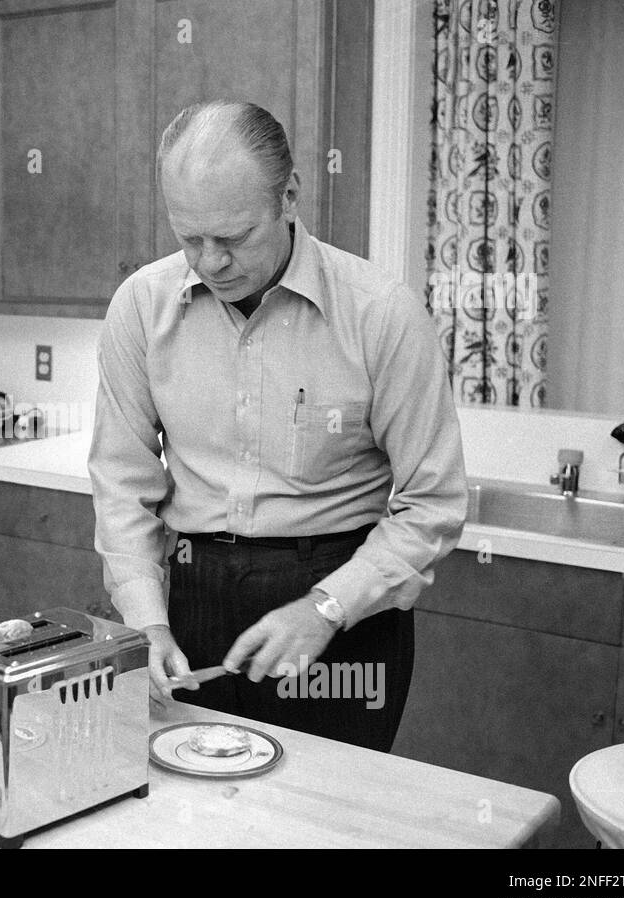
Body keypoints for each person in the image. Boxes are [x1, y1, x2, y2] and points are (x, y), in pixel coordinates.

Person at [88, 101, 467, 752]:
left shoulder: (382, 316)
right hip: (194, 599)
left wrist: (325, 607)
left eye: (233, 238)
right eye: (189, 238)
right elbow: (122, 485)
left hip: (341, 612)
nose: (210, 261)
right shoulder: (141, 307)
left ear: (289, 196)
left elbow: (432, 504)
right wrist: (146, 622)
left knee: (326, 817)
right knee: (193, 817)